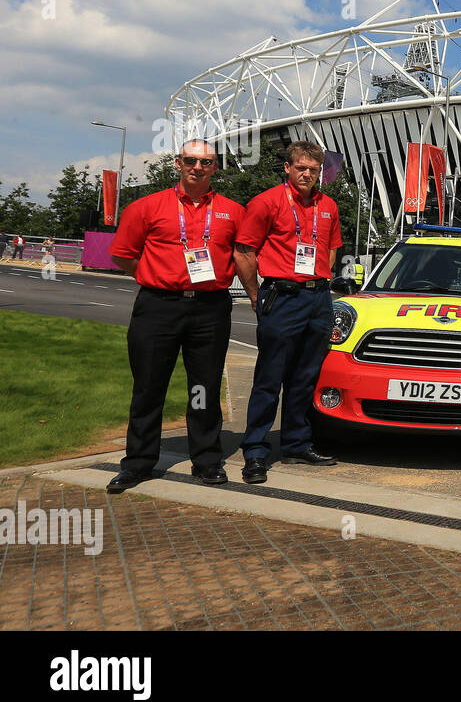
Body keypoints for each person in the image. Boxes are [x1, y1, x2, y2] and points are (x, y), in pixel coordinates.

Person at [106, 139, 245, 493]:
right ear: (178, 164)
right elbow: (123, 254)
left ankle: (207, 460)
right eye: (190, 160)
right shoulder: (146, 207)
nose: (198, 167)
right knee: (149, 386)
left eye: (206, 162)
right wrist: (154, 276)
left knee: (203, 387)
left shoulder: (233, 211)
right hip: (159, 307)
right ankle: (138, 463)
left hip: (210, 308)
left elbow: (243, 255)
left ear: (215, 168)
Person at [234, 140, 342, 483]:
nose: (307, 174)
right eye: (300, 167)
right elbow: (243, 252)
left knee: (305, 377)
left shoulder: (329, 206)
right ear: (288, 168)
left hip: (318, 299)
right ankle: (255, 450)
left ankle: (296, 442)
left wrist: (319, 280)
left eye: (313, 169)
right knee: (270, 378)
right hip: (282, 296)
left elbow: (332, 249)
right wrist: (255, 294)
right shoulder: (266, 202)